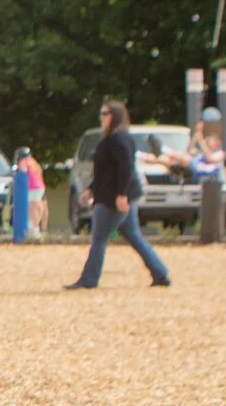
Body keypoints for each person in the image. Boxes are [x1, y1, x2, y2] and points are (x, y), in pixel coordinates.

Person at [66, 99, 171, 289]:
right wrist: (90, 188)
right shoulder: (111, 138)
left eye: (106, 113)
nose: (102, 117)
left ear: (115, 116)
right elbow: (106, 171)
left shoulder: (119, 138)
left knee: (99, 239)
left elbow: (125, 170)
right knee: (133, 235)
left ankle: (89, 280)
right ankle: (160, 273)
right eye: (101, 113)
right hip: (111, 193)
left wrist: (122, 196)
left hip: (113, 198)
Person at [13, 145, 48, 238]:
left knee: (31, 208)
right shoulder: (33, 162)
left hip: (33, 188)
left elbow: (22, 171)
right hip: (38, 187)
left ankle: (33, 228)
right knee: (34, 207)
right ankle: (34, 228)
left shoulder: (26, 161)